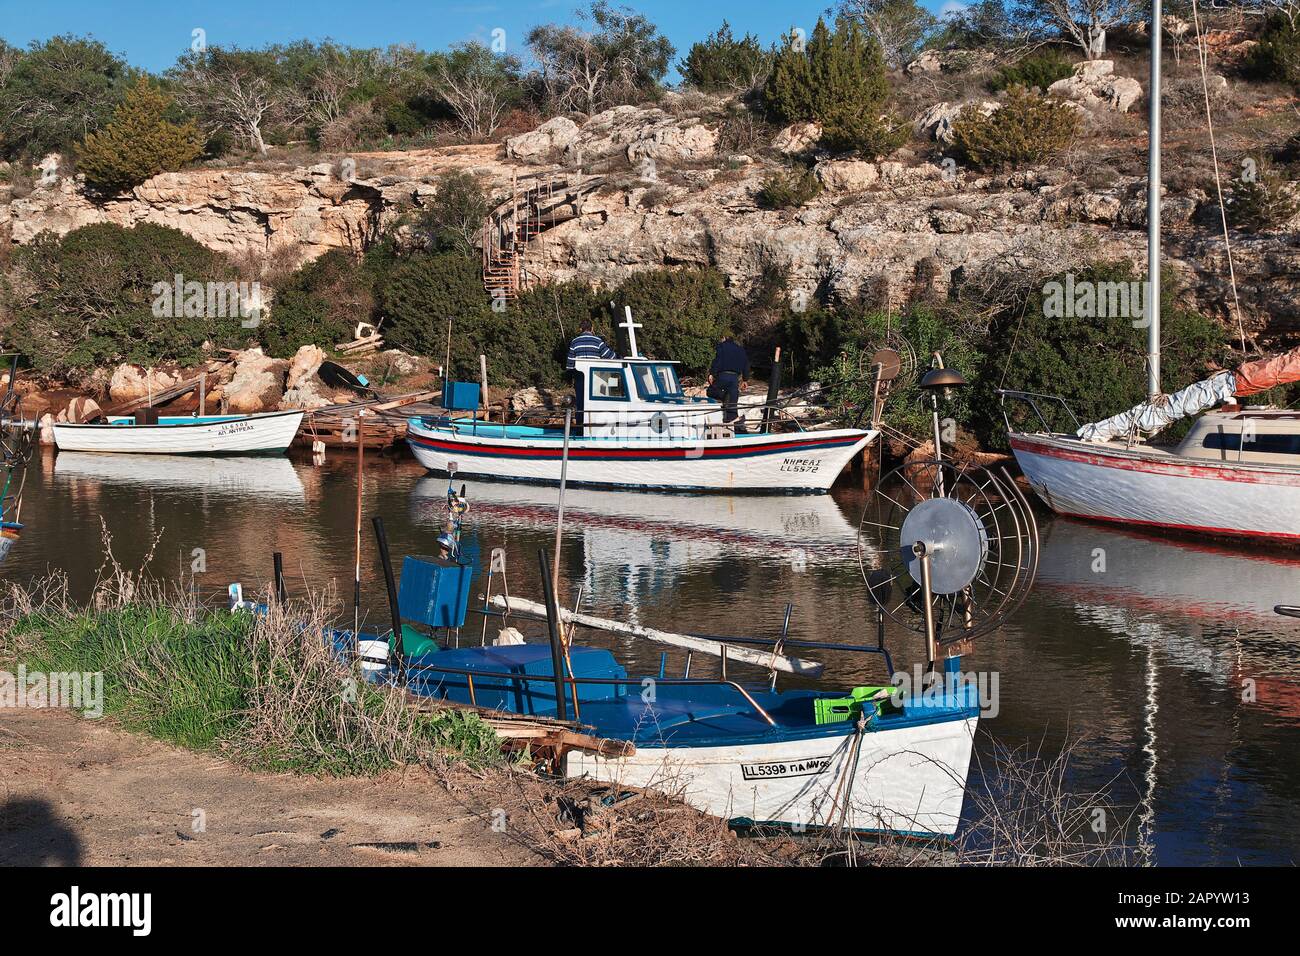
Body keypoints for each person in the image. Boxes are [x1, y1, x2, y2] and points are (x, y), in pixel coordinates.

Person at [566, 318, 617, 433]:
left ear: (580, 329)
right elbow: (610, 356)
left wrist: (569, 376)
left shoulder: (575, 342)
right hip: (597, 377)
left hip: (580, 377)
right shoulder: (597, 341)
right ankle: (597, 426)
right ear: (592, 328)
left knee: (580, 402)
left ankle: (580, 427)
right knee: (598, 402)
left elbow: (570, 363)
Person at [707, 333, 750, 430]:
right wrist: (745, 379)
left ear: (724, 338)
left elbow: (717, 360)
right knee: (732, 403)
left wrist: (712, 373)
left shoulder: (721, 347)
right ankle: (733, 427)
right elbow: (746, 364)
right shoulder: (741, 349)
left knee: (710, 391)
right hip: (735, 378)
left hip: (723, 375)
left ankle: (723, 396)